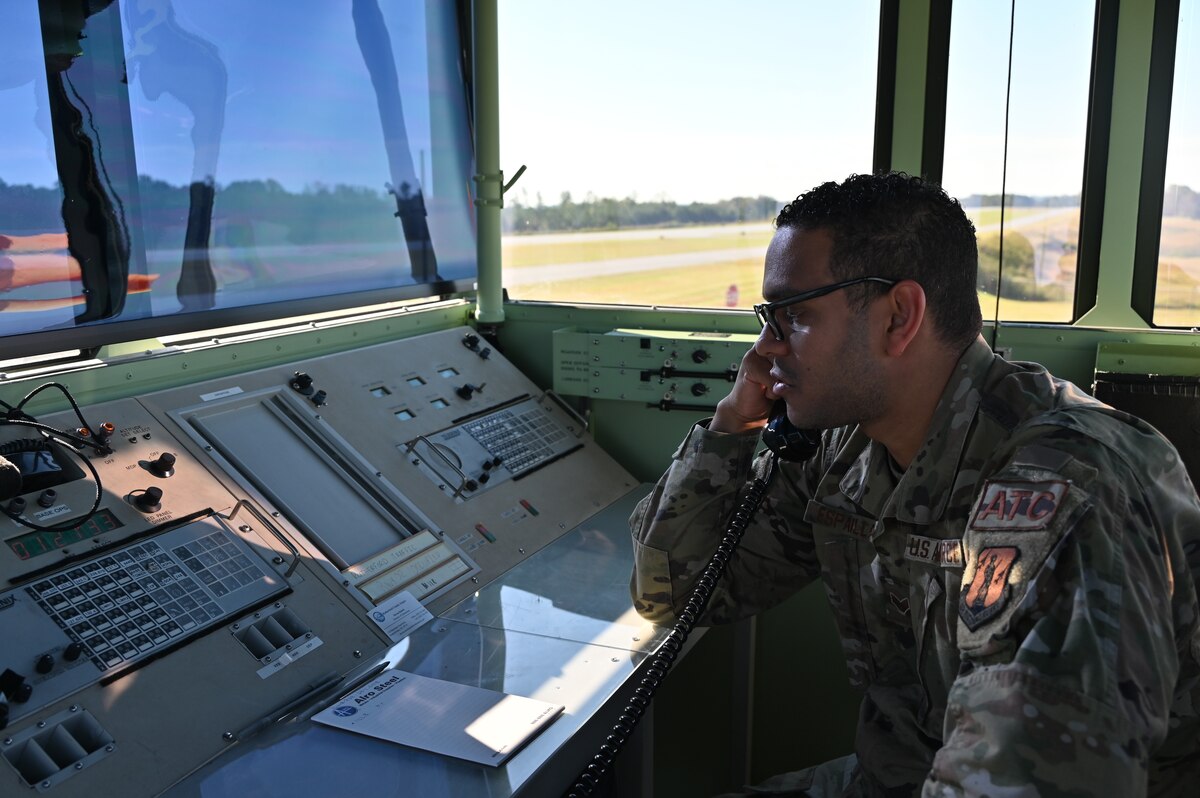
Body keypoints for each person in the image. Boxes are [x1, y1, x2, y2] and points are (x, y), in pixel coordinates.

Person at [630, 171, 1200, 797]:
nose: (765, 349)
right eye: (770, 318)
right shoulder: (845, 447)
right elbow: (675, 593)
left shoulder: (1060, 491)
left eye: (794, 317)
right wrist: (731, 427)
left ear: (899, 316)